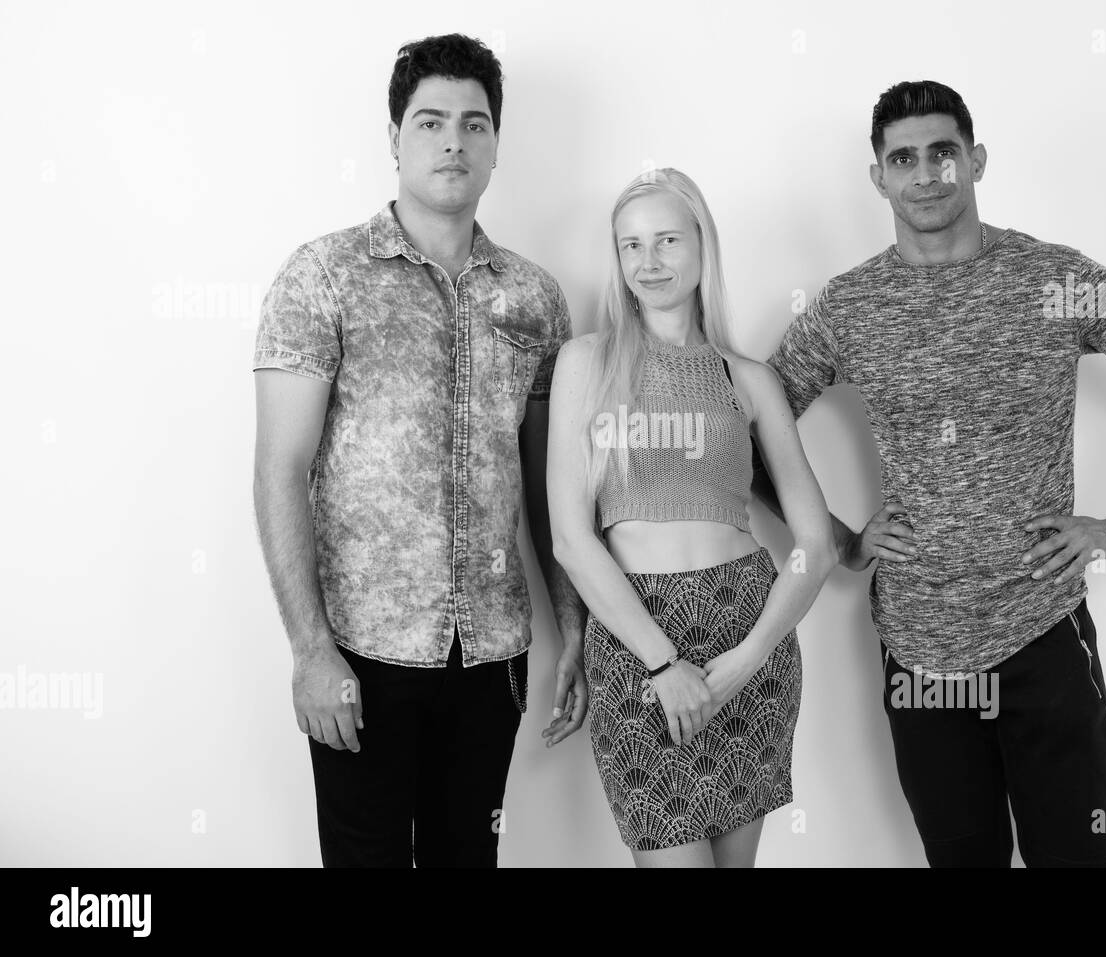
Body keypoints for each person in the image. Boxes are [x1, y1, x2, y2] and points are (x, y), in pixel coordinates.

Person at [756, 80, 1106, 867]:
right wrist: (840, 537)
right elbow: (753, 428)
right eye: (903, 158)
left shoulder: (1052, 279)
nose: (925, 174)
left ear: (975, 160)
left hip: (1041, 632)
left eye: (943, 153)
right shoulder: (850, 307)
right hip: (919, 650)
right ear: (877, 177)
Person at [251, 33, 587, 868]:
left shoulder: (536, 298)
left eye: (475, 124)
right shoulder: (323, 275)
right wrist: (309, 649)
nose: (453, 141)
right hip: (361, 653)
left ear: (496, 146)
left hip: (494, 652)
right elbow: (278, 472)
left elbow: (549, 486)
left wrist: (572, 620)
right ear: (394, 138)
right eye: (431, 121)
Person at [546, 168, 837, 867]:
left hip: (748, 638)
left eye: (668, 240)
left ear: (703, 245)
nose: (649, 262)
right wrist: (663, 659)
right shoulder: (587, 364)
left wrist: (750, 655)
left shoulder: (748, 378)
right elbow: (570, 540)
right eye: (631, 246)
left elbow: (816, 544)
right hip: (637, 641)